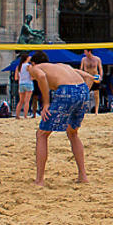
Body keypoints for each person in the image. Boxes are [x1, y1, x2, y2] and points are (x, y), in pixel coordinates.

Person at [29, 50, 92, 185]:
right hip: (82, 90)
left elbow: (40, 76)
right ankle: (83, 176)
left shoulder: (35, 68)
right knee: (73, 133)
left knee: (42, 134)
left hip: (66, 91)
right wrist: (82, 95)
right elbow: (89, 77)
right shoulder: (62, 66)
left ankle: (39, 180)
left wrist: (46, 103)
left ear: (34, 62)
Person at [79, 48, 103, 114]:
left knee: (96, 94)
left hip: (95, 77)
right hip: (87, 77)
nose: (84, 53)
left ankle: (96, 111)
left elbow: (100, 68)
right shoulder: (84, 59)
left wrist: (101, 76)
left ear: (89, 52)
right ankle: (84, 109)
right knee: (85, 94)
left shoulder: (97, 59)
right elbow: (81, 69)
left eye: (85, 52)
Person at [15, 53, 35, 119]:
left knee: (21, 101)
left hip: (21, 84)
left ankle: (17, 115)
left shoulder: (19, 66)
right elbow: (32, 77)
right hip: (28, 83)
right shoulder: (29, 66)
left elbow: (16, 78)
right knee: (27, 101)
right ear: (26, 58)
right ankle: (25, 115)